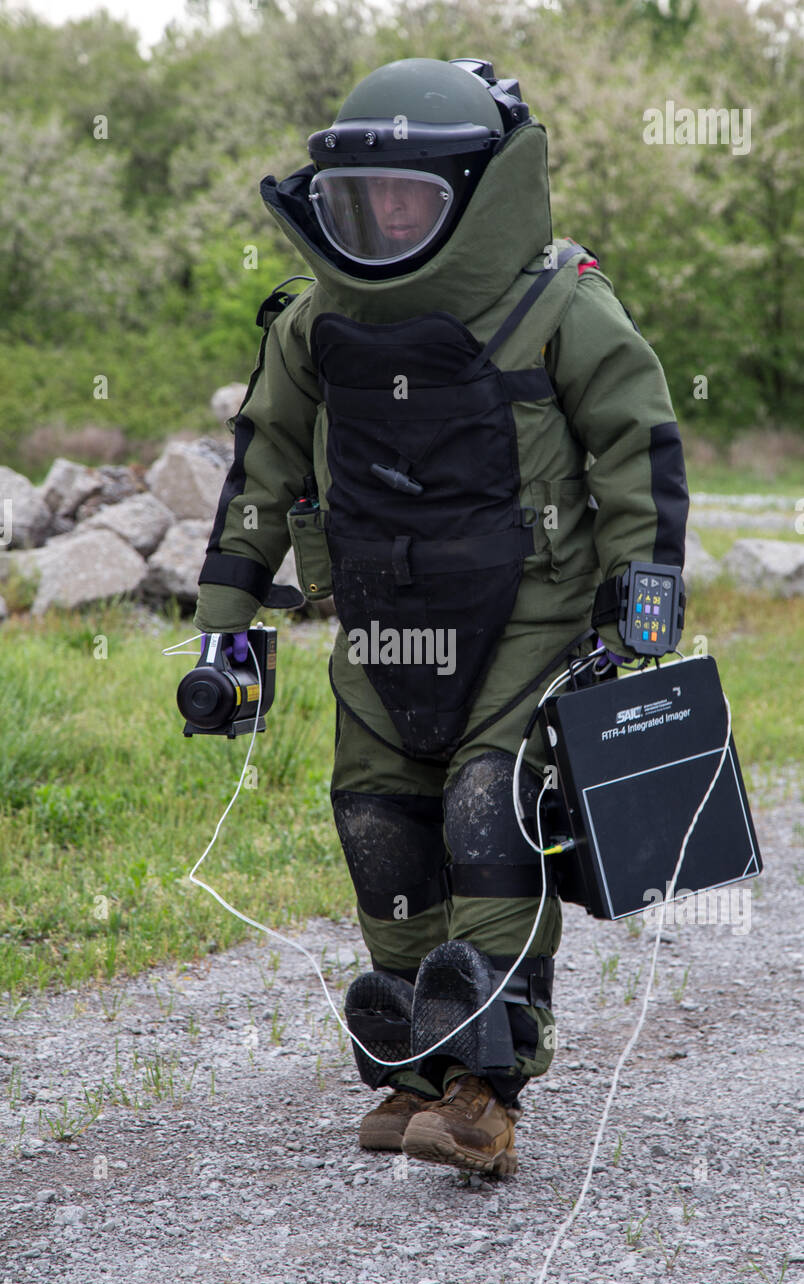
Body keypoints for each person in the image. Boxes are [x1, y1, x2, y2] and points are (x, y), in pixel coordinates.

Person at [193, 57, 688, 1176]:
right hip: (380, 620)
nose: (386, 218)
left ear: (475, 190)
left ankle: (485, 1090)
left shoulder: (560, 300)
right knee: (377, 820)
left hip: (535, 612)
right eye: (364, 202)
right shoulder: (313, 325)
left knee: (486, 809)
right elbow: (264, 462)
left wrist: (644, 599)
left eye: (412, 195)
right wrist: (230, 617)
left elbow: (638, 446)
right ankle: (419, 1072)